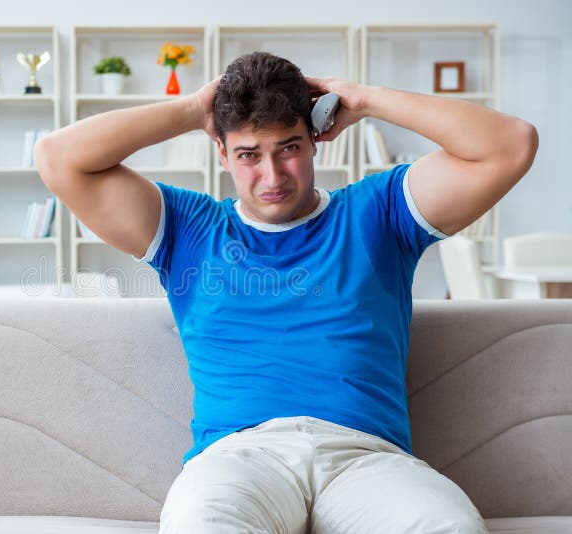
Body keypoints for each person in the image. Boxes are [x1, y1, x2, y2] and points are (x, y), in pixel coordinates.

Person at [34, 51, 538, 533]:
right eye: (249, 155)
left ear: (316, 139)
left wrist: (364, 99)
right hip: (239, 459)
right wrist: (191, 110)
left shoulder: (379, 213)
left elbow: (512, 143)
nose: (272, 176)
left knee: (450, 526)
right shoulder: (188, 229)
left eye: (289, 148)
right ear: (222, 153)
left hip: (365, 459)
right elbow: (58, 158)